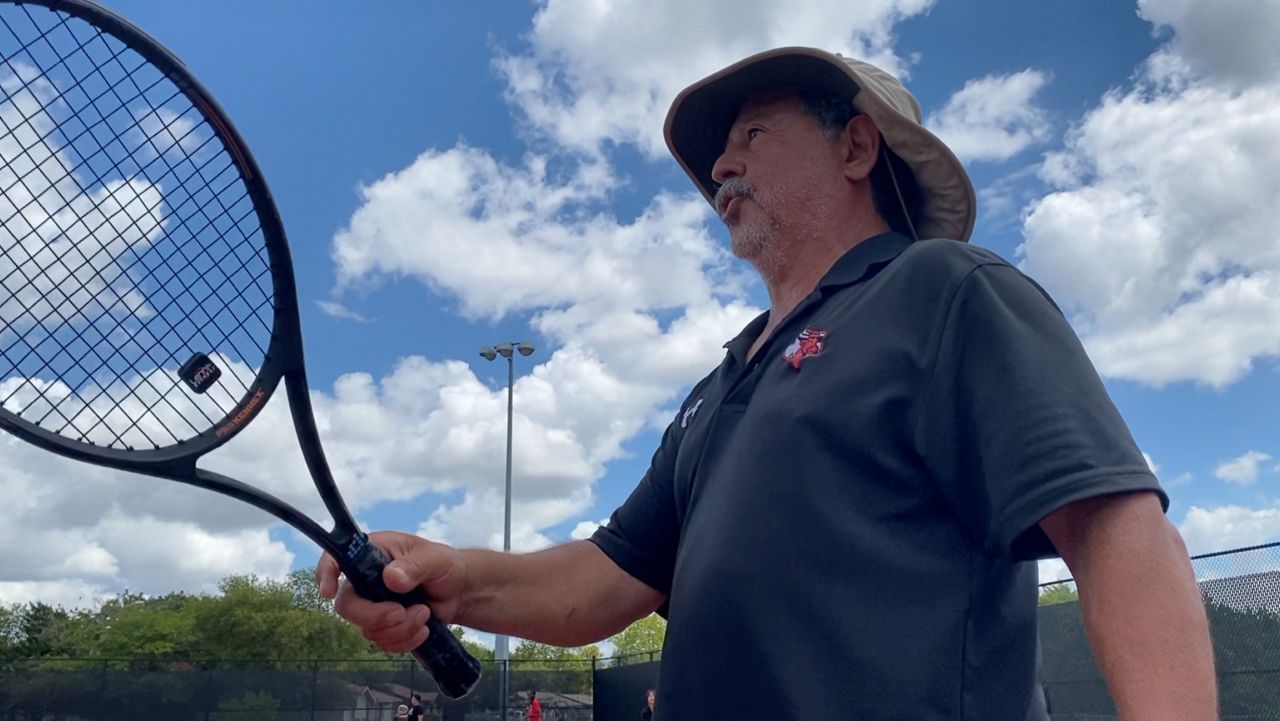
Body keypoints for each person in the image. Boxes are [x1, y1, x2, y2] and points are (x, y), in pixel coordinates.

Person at [318, 47, 1217, 719]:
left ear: (858, 146)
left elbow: (1117, 532)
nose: (719, 167)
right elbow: (603, 581)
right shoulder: (724, 376)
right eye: (722, 151)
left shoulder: (945, 288)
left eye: (752, 134)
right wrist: (451, 575)